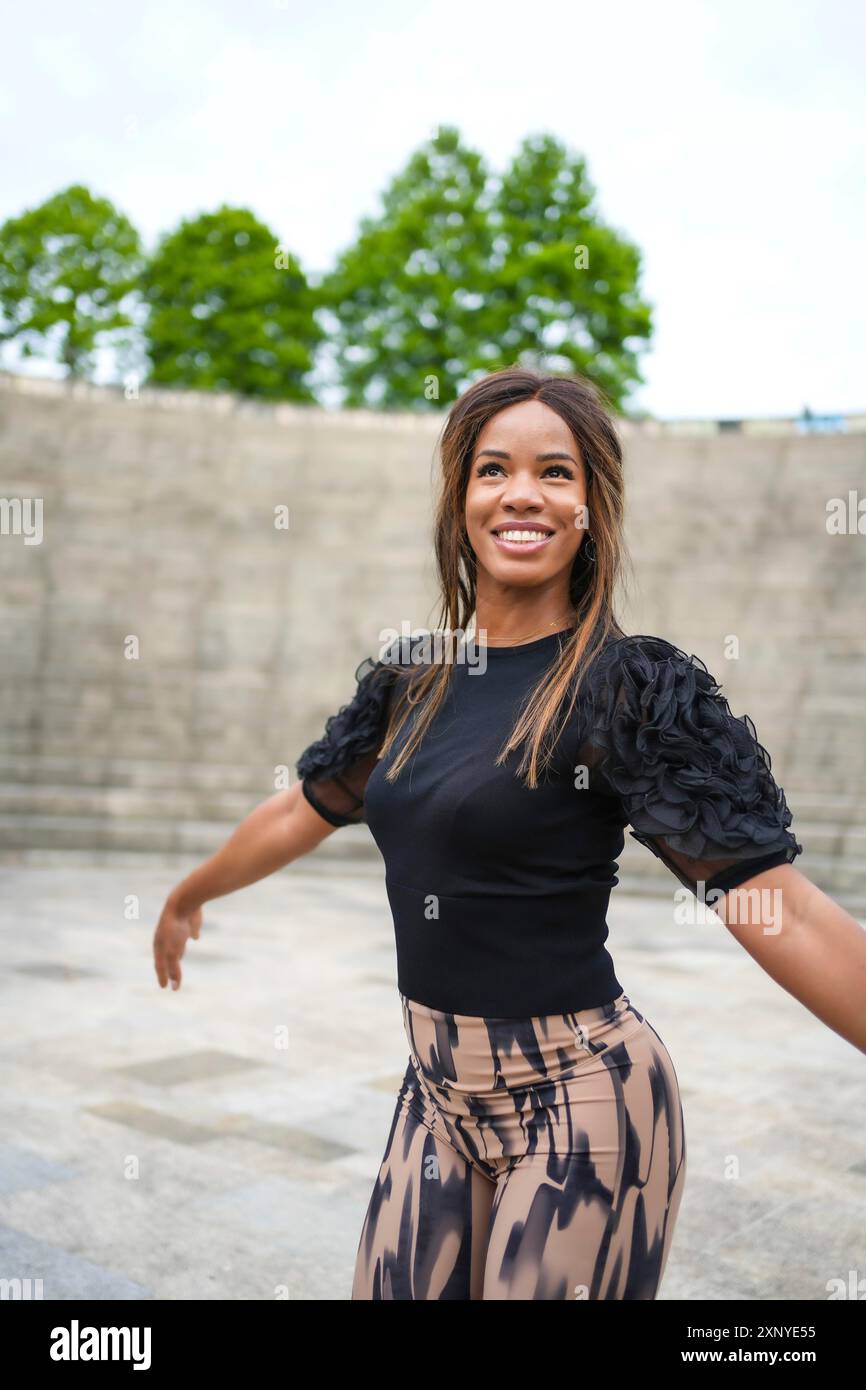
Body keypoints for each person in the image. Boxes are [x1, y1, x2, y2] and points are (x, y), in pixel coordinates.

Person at [153, 367, 866, 1301]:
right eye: (493, 469)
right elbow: (303, 807)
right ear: (460, 502)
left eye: (555, 473)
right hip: (436, 1097)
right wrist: (188, 893)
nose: (521, 492)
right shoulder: (415, 679)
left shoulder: (622, 689)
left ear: (590, 510)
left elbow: (780, 906)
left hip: (585, 1100)